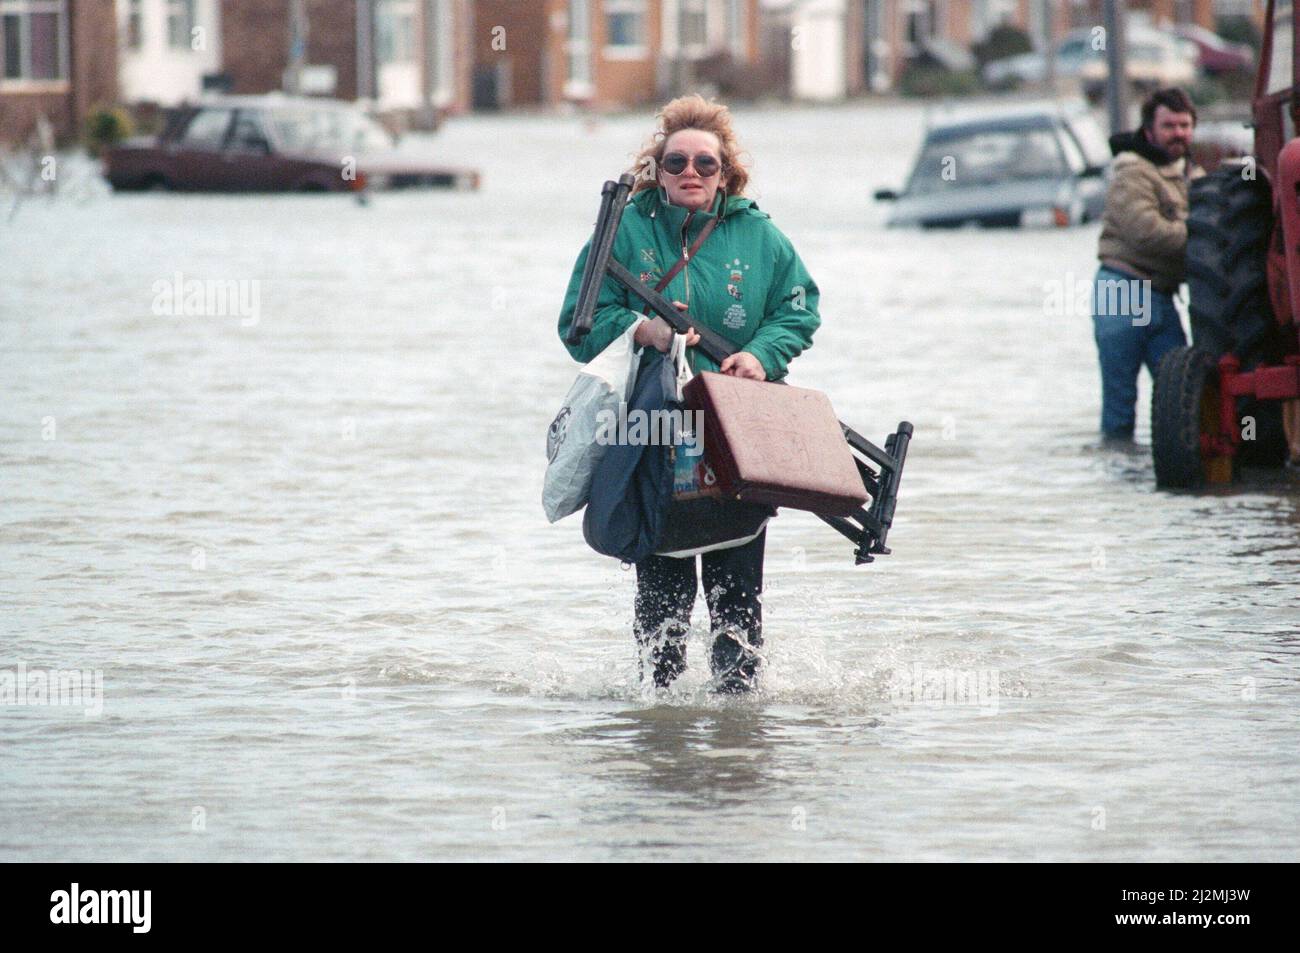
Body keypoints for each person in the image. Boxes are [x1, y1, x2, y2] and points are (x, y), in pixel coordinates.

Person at [556, 94, 821, 693]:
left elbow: (799, 309)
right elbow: (576, 321)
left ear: (726, 172)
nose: (691, 174)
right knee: (661, 620)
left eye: (706, 164)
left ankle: (738, 736)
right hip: (651, 436)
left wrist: (759, 355)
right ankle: (660, 731)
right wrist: (637, 330)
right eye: (676, 163)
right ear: (658, 168)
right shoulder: (621, 229)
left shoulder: (760, 235)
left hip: (737, 436)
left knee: (738, 608)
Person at [1093, 87, 1204, 444]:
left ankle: (1168, 483)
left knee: (1183, 396)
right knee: (1121, 404)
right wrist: (1204, 238)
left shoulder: (1188, 173)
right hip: (1122, 289)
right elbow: (1146, 233)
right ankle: (1122, 483)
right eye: (1169, 125)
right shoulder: (1132, 172)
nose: (1178, 133)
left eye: (1185, 125)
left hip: (1161, 294)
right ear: (1149, 130)